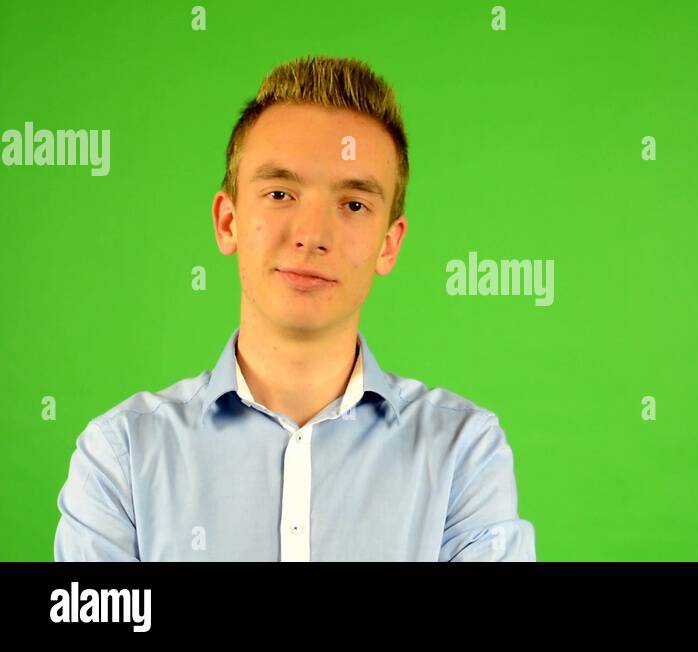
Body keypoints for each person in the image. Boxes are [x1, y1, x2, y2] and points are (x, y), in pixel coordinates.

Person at [53, 56, 536, 561]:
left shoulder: (464, 452)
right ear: (227, 221)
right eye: (280, 193)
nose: (311, 235)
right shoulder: (121, 454)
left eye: (353, 204)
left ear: (389, 245)